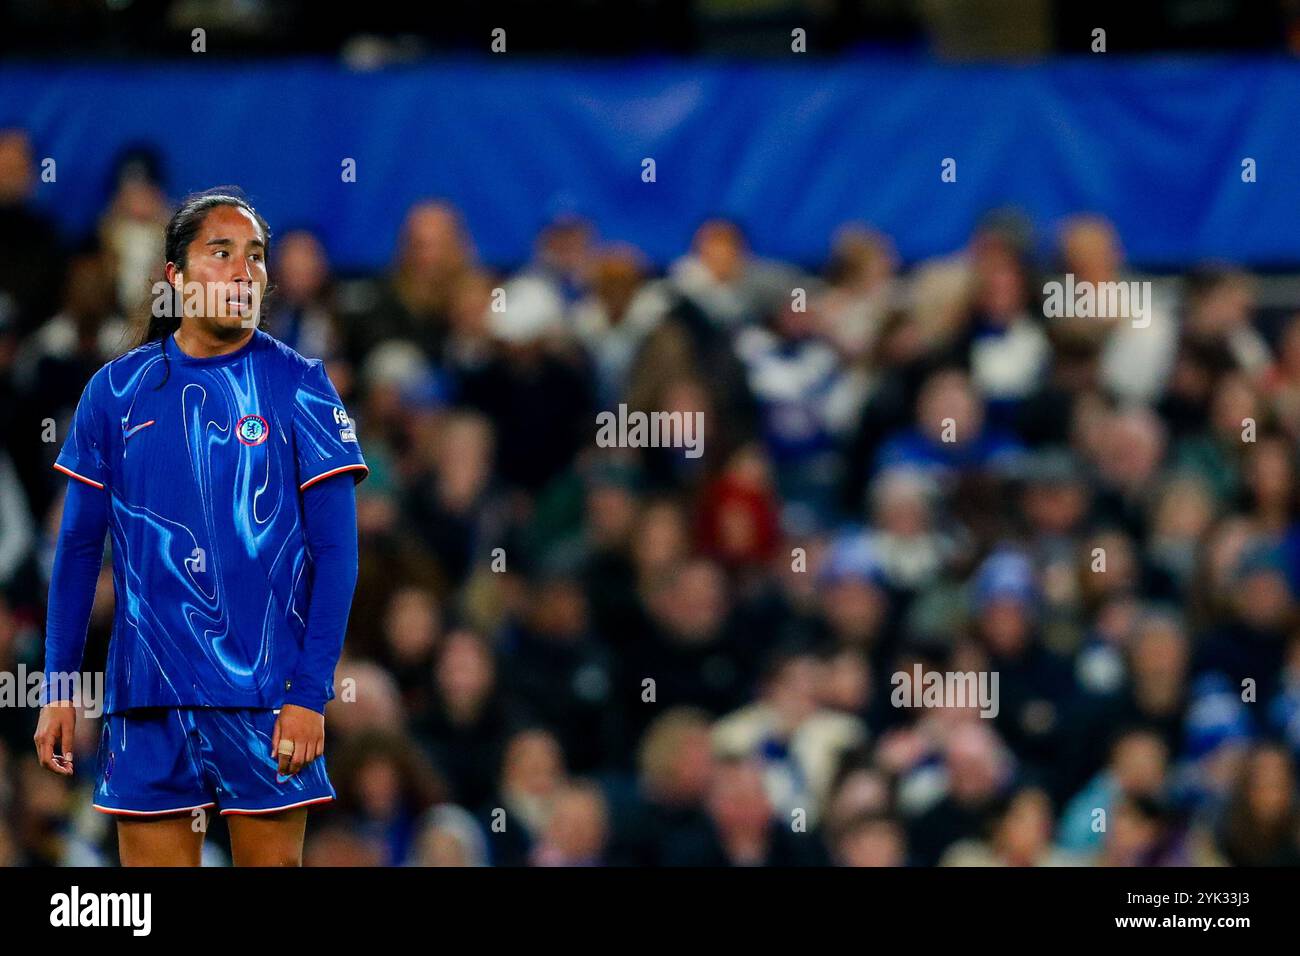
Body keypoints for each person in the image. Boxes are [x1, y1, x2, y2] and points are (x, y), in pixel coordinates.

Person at [33, 190, 368, 866]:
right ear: (175, 278)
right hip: (146, 699)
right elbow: (75, 551)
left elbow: (338, 555)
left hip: (265, 700)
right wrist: (58, 687)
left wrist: (310, 694)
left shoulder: (301, 384)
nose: (244, 271)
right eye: (221, 253)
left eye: (256, 257)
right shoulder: (115, 392)